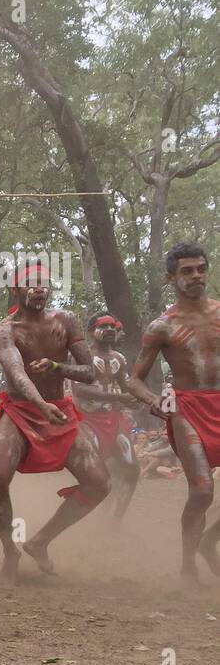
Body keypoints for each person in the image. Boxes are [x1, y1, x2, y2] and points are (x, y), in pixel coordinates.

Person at [0, 260, 107, 578]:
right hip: (21, 411)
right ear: (16, 289)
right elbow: (16, 372)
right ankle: (10, 549)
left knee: (99, 483)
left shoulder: (65, 321)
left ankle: (39, 541)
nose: (40, 288)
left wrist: (56, 367)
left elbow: (90, 372)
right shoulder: (4, 330)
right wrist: (39, 405)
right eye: (32, 283)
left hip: (60, 410)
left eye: (44, 283)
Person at [126, 243, 219, 578]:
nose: (196, 276)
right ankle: (188, 563)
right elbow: (133, 381)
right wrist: (155, 401)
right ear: (171, 278)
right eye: (187, 271)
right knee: (202, 491)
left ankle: (209, 541)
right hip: (187, 409)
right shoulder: (161, 327)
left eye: (201, 269)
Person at [71, 313, 139, 519]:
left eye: (113, 326)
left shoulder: (120, 359)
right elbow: (80, 390)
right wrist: (119, 397)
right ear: (92, 331)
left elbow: (127, 387)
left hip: (115, 419)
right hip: (88, 421)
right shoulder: (83, 356)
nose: (110, 330)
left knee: (133, 470)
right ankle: (89, 511)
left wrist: (143, 398)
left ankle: (117, 519)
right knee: (98, 475)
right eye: (104, 326)